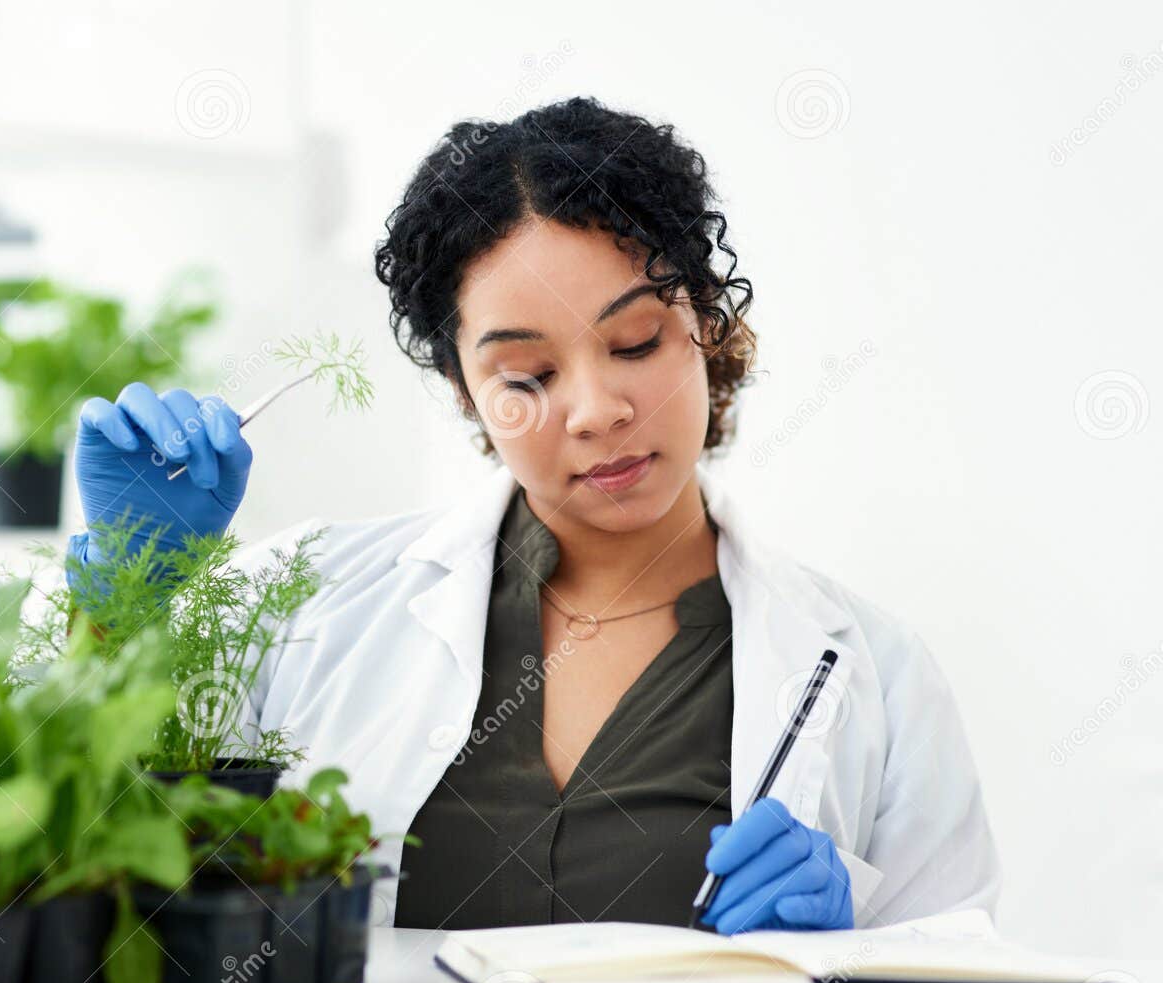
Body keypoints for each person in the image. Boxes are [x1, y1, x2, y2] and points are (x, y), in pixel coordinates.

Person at [67, 97, 1000, 934]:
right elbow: (86, 859)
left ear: (707, 325)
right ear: (467, 392)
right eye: (528, 376)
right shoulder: (313, 607)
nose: (596, 410)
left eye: (635, 341)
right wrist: (131, 593)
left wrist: (857, 957)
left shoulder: (876, 673)